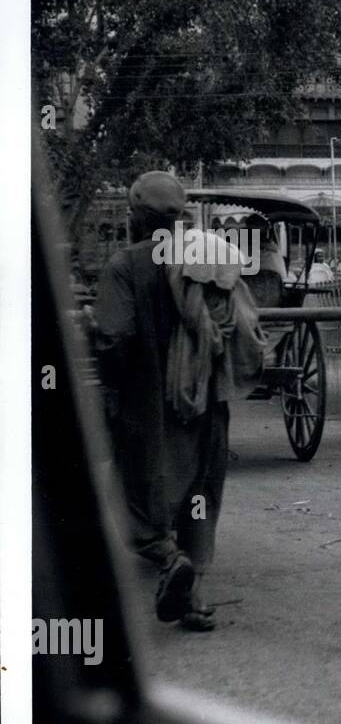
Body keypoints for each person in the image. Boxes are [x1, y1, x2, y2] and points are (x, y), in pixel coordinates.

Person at [93, 171, 266, 632]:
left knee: (128, 494)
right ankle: (193, 598)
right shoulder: (207, 258)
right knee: (199, 494)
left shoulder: (125, 265)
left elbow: (113, 337)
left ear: (136, 216)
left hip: (145, 405)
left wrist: (112, 385)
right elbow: (241, 329)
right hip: (206, 401)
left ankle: (168, 558)